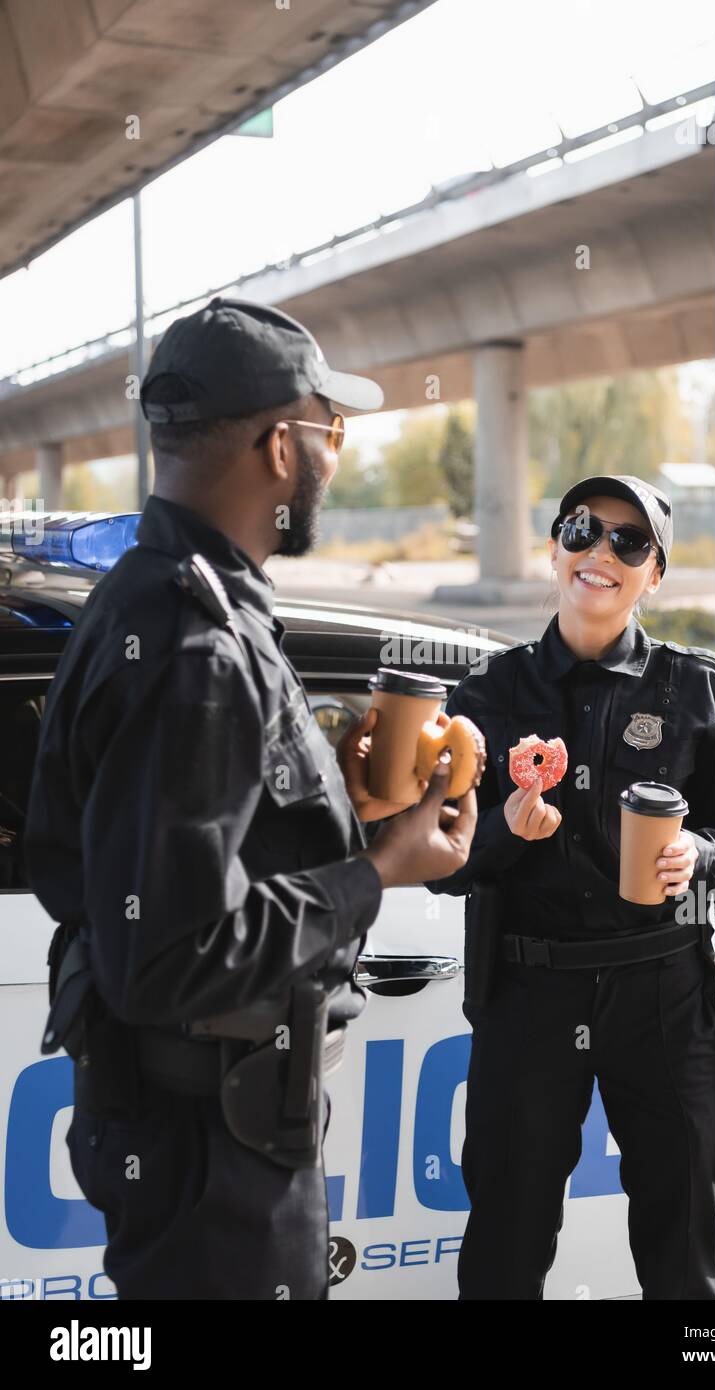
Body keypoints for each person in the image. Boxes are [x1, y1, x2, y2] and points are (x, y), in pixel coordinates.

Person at [24, 296, 476, 1301]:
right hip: (212, 1160)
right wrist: (378, 872)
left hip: (210, 1133)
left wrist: (350, 816)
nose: (339, 453)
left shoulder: (157, 600)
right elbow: (173, 954)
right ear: (281, 443)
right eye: (332, 428)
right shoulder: (195, 645)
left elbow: (194, 862)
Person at [424, 474, 715, 1301]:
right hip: (529, 995)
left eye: (629, 542)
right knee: (506, 1238)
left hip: (662, 995)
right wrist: (506, 828)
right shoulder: (486, 696)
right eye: (582, 530)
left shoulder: (697, 689)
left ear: (653, 574)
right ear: (553, 548)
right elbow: (441, 865)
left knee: (680, 1237)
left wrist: (697, 850)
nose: (600, 553)